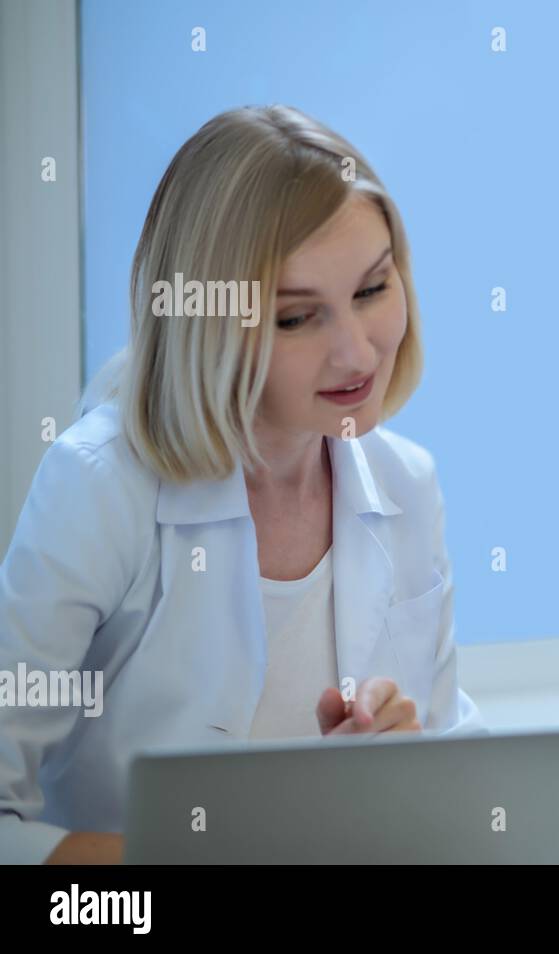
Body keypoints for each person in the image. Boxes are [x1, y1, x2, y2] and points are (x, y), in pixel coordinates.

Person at [0, 105, 481, 864]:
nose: (357, 353)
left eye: (372, 289)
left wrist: (403, 778)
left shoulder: (406, 483)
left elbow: (460, 773)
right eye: (296, 319)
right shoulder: (96, 490)